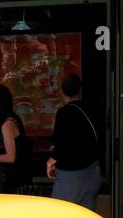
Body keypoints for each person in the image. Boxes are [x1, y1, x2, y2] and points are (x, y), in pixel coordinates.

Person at [46, 74, 102, 210]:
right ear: (80, 90)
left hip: (70, 175)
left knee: (61, 217)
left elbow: (61, 143)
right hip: (93, 171)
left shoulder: (64, 113)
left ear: (62, 91)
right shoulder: (92, 110)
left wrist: (51, 161)